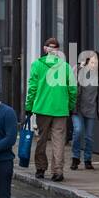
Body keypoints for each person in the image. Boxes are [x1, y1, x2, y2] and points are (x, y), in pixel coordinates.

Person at [24, 36, 77, 182]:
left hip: (42, 108)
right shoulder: (65, 66)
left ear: (45, 49)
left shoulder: (37, 65)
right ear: (58, 50)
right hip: (60, 109)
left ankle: (40, 168)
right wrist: (70, 106)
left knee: (41, 139)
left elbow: (32, 88)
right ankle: (57, 171)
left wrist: (28, 107)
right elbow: (73, 89)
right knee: (58, 140)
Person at [71, 50, 99, 171]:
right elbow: (71, 83)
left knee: (89, 136)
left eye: (96, 62)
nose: (94, 64)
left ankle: (88, 160)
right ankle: (75, 158)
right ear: (86, 62)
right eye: (92, 62)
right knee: (77, 131)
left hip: (92, 109)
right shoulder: (79, 71)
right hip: (78, 109)